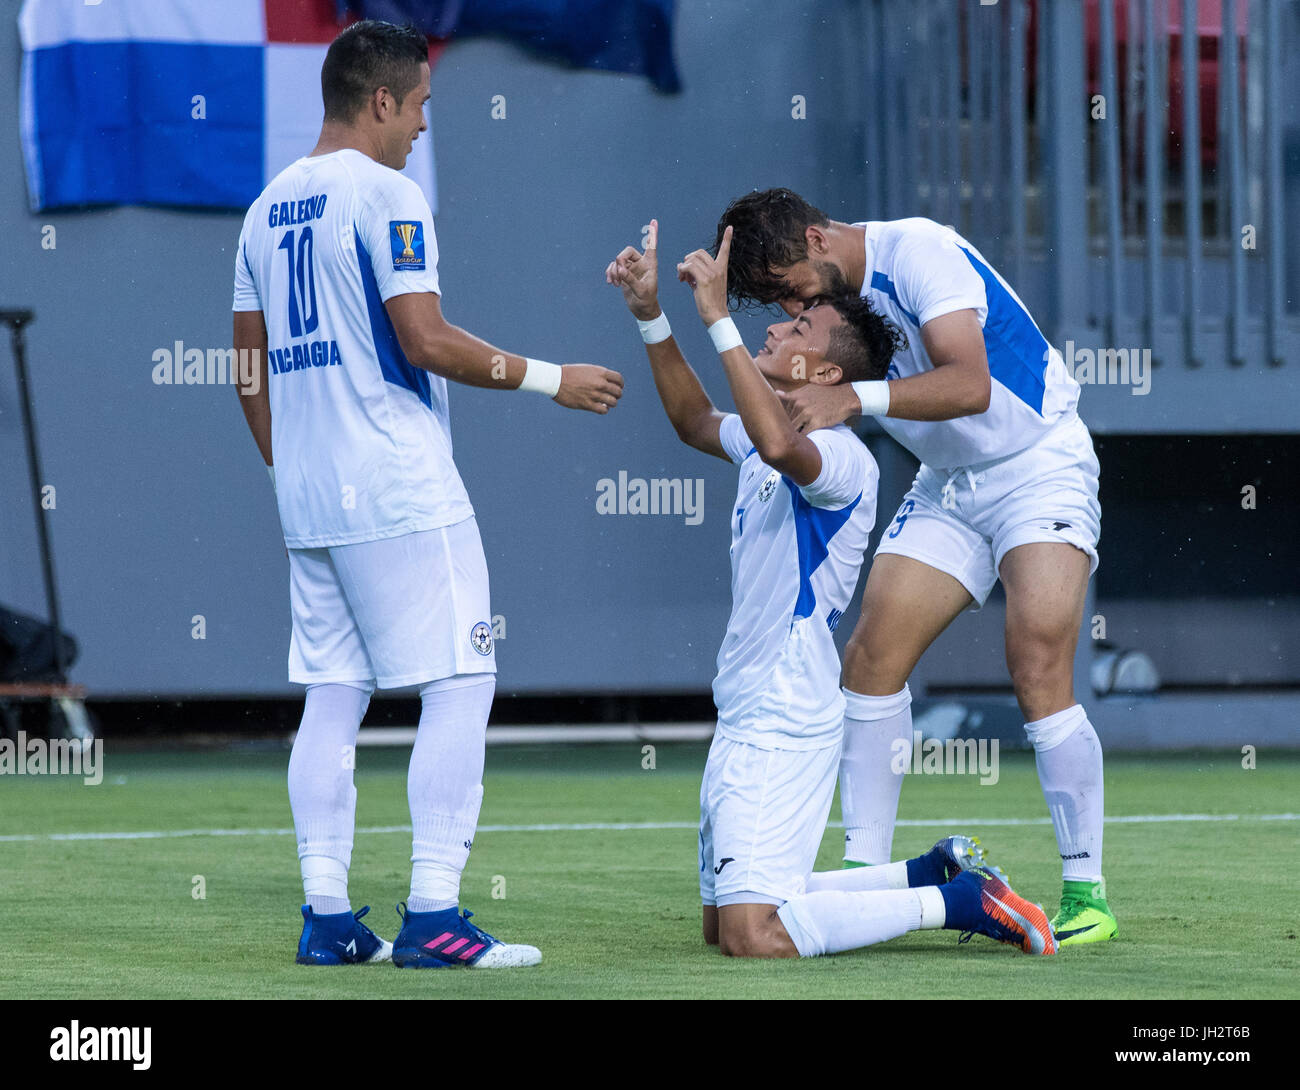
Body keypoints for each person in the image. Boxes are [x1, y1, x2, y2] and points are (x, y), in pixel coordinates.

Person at [232, 20, 622, 969]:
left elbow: (248, 372)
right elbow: (426, 340)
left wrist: (297, 470)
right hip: (398, 484)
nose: (421, 129)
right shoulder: (388, 193)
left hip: (311, 492)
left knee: (333, 691)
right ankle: (436, 915)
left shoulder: (263, 209)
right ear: (381, 101)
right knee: (461, 679)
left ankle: (328, 919)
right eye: (419, 108)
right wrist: (550, 377)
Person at [604, 221, 1056, 958]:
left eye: (801, 324)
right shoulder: (766, 430)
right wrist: (650, 313)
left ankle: (959, 904)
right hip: (746, 703)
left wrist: (717, 316)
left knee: (756, 936)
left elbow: (784, 448)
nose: (781, 325)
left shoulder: (842, 459)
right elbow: (692, 421)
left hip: (784, 713)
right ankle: (926, 874)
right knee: (722, 928)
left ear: (824, 377)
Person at [712, 188, 1114, 946]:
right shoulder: (834, 305)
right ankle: (865, 873)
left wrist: (849, 401)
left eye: (789, 286)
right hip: (949, 485)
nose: (789, 305)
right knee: (869, 661)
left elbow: (971, 384)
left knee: (1035, 663)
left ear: (816, 239)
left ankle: (1086, 890)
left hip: (1039, 464)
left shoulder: (919, 251)